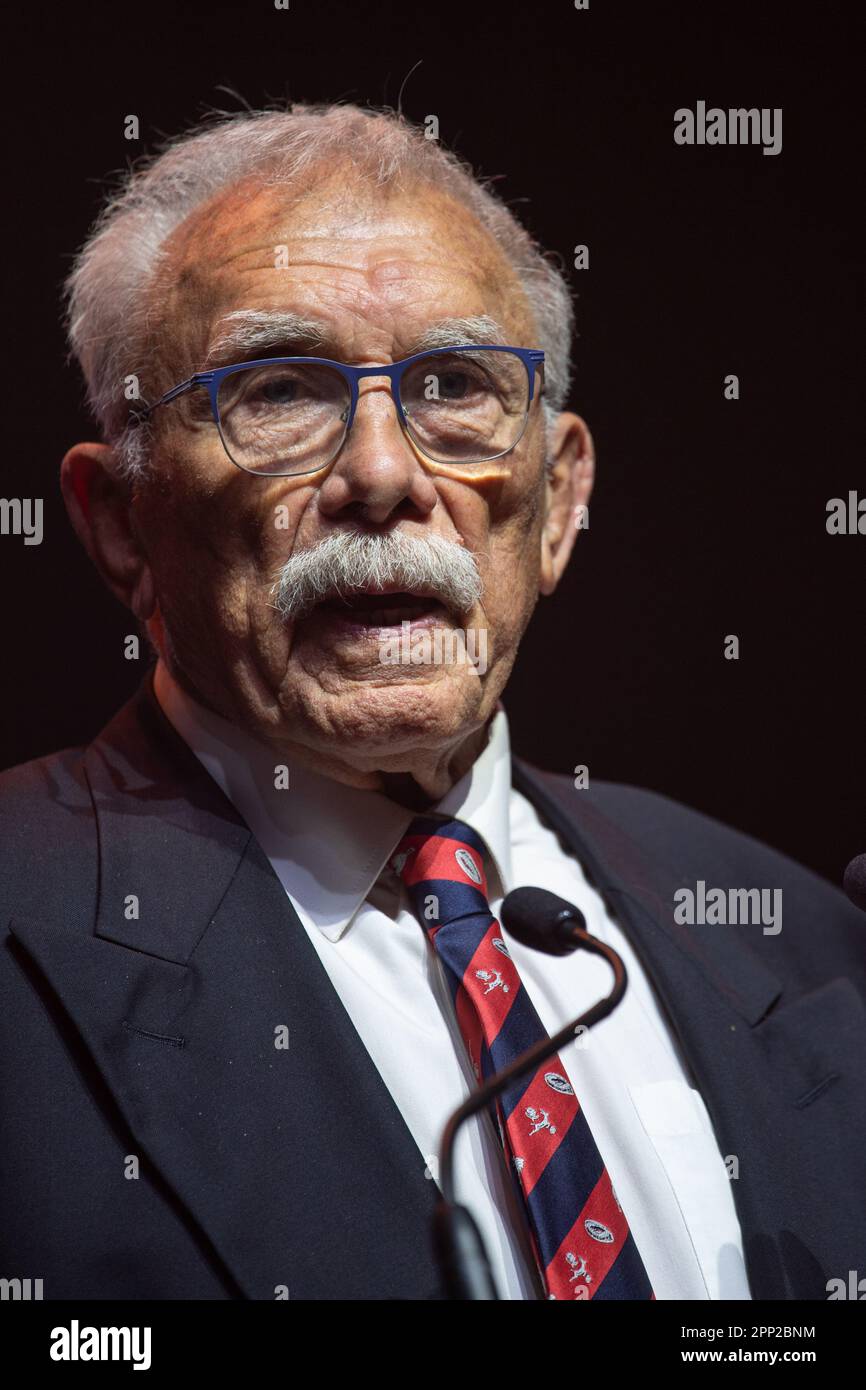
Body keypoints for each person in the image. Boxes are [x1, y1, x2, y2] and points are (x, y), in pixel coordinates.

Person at [1, 104, 863, 1301]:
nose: (382, 474)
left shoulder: (800, 938)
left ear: (557, 503)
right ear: (118, 521)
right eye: (278, 392)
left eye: (452, 385)